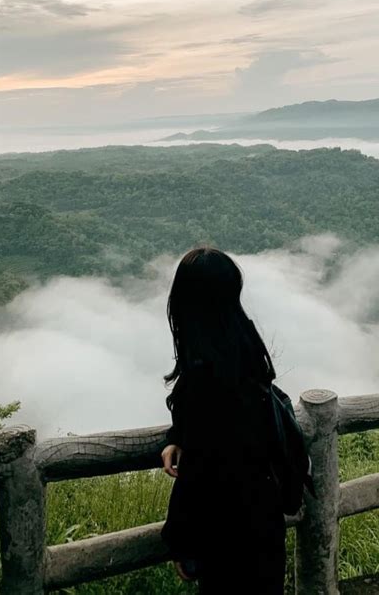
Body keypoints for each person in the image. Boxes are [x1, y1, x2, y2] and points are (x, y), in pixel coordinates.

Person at [161, 247, 286, 595]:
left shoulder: (207, 376)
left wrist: (180, 541)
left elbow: (202, 469)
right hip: (264, 523)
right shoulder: (245, 353)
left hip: (228, 537)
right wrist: (177, 435)